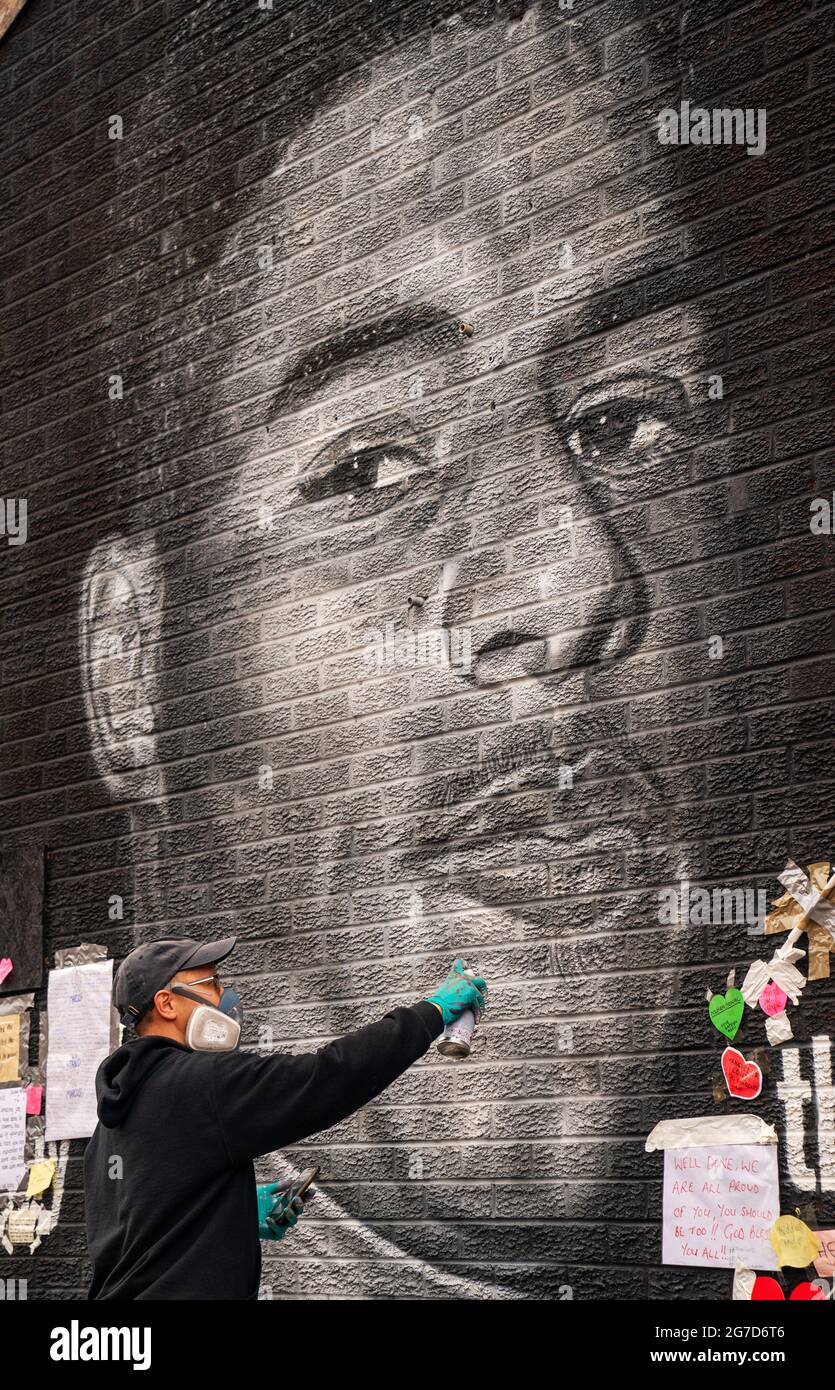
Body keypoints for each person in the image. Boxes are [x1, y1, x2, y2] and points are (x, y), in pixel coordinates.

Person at [83, 936, 485, 1299]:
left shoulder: (109, 1123)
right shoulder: (203, 1083)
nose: (226, 997)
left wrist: (235, 1215)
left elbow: (143, 1225)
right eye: (211, 985)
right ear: (166, 1004)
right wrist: (431, 1013)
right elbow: (328, 1076)